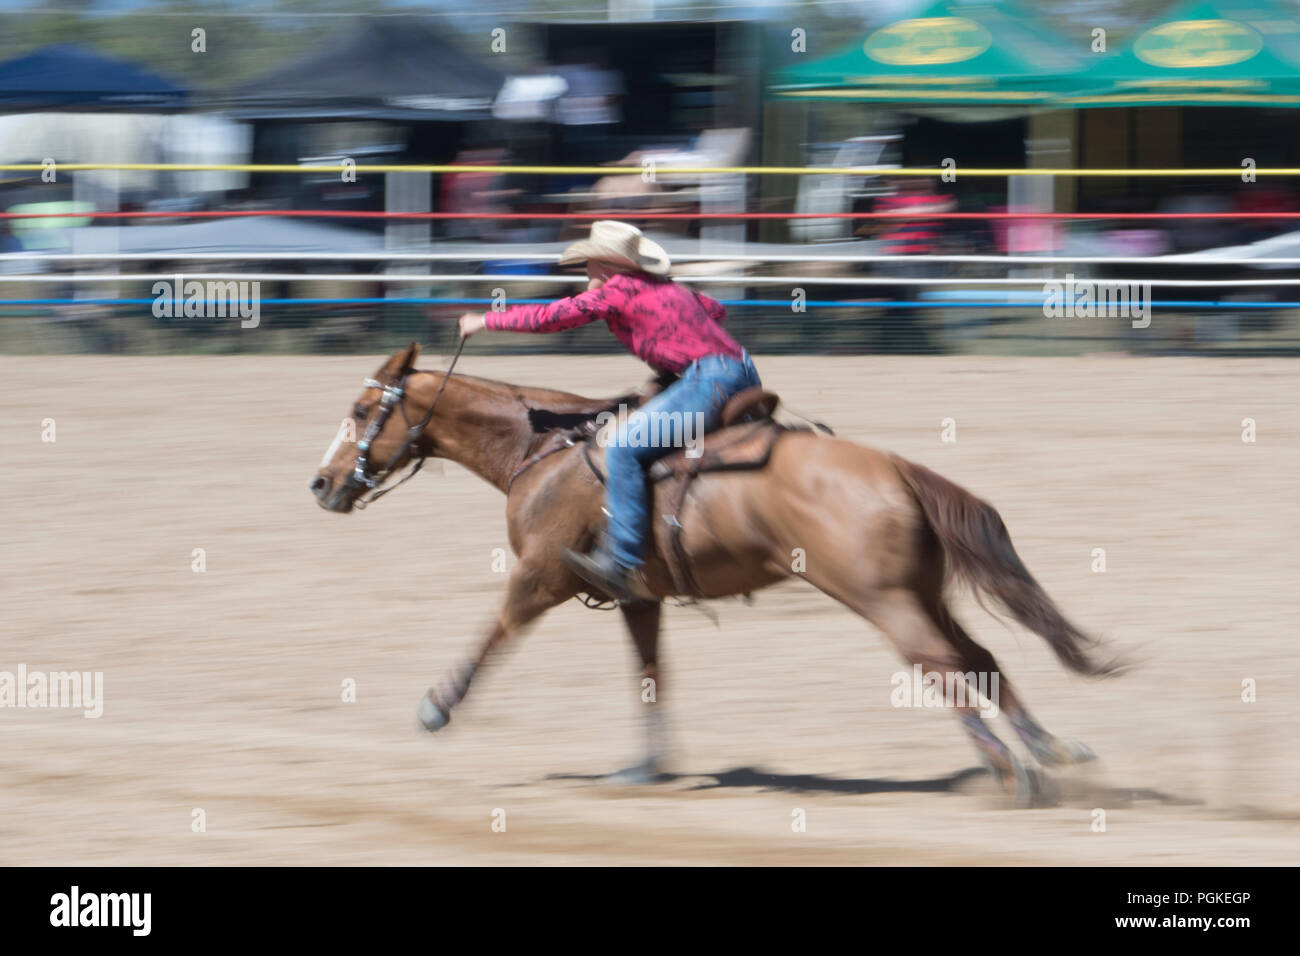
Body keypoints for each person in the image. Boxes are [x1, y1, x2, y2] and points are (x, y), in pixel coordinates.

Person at [458, 220, 759, 600]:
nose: (585, 272)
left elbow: (553, 318)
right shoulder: (668, 288)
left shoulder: (617, 291)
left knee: (622, 451)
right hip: (741, 371)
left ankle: (621, 561)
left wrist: (484, 320)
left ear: (604, 266)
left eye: (588, 265)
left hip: (709, 380)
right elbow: (714, 310)